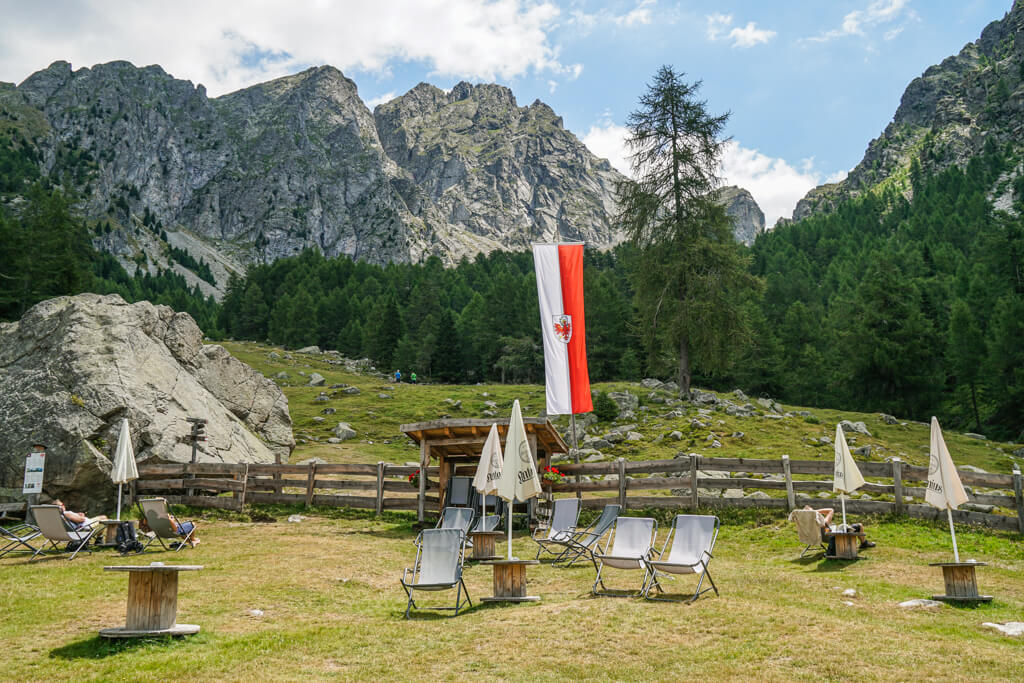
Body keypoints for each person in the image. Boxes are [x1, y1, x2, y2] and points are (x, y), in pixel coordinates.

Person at [805, 506, 875, 549]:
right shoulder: (820, 521)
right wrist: (815, 512)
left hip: (821, 538)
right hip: (832, 537)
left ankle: (863, 543)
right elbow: (830, 510)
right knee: (859, 525)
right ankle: (864, 543)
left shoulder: (807, 523)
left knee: (842, 526)